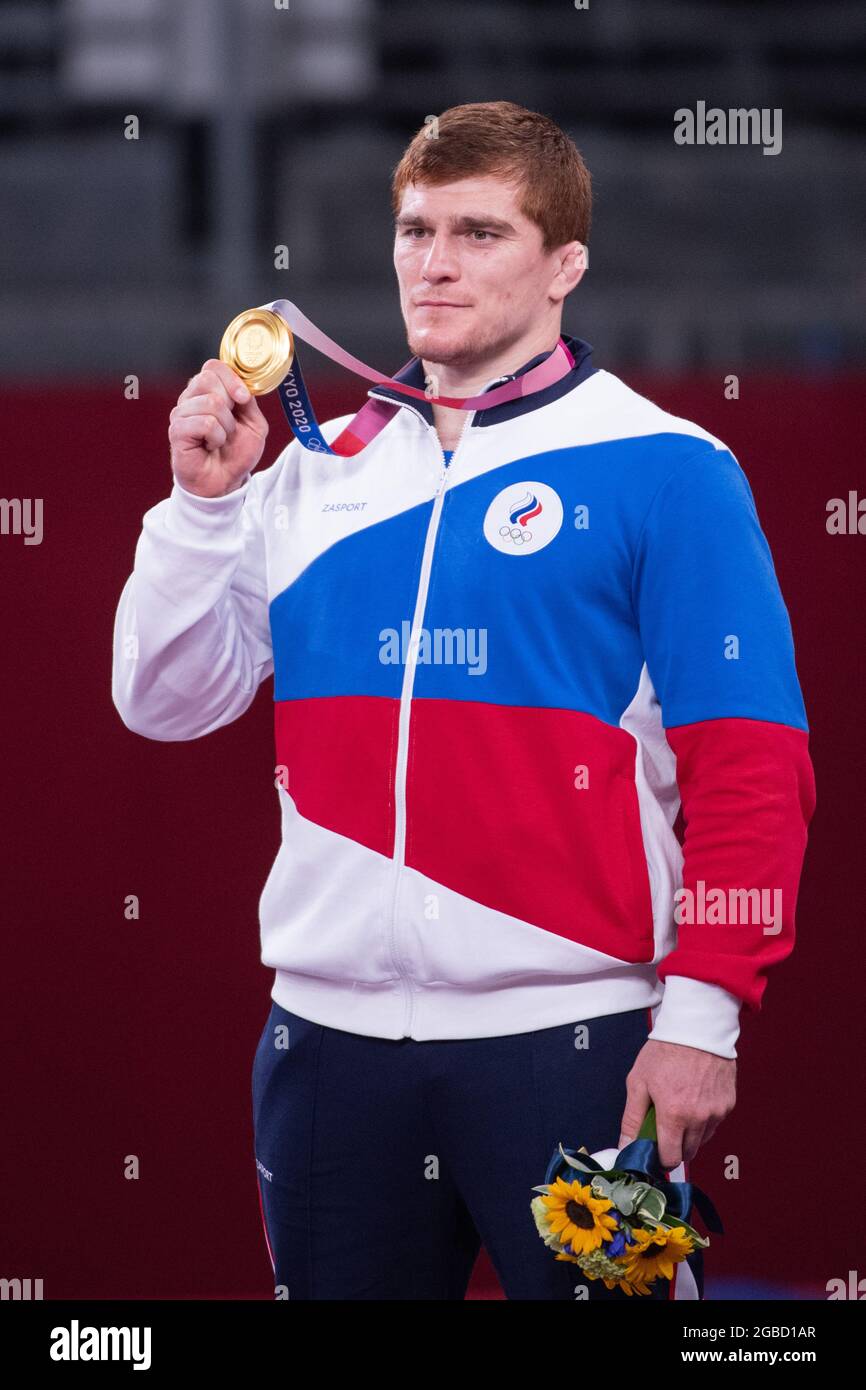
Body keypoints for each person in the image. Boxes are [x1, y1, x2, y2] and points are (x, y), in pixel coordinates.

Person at [111, 101, 816, 1300]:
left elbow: (752, 769)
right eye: (415, 231)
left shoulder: (669, 469)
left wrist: (701, 1019)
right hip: (325, 1049)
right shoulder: (312, 471)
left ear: (564, 266)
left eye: (480, 233)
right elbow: (162, 700)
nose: (433, 263)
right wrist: (202, 509)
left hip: (579, 1046)